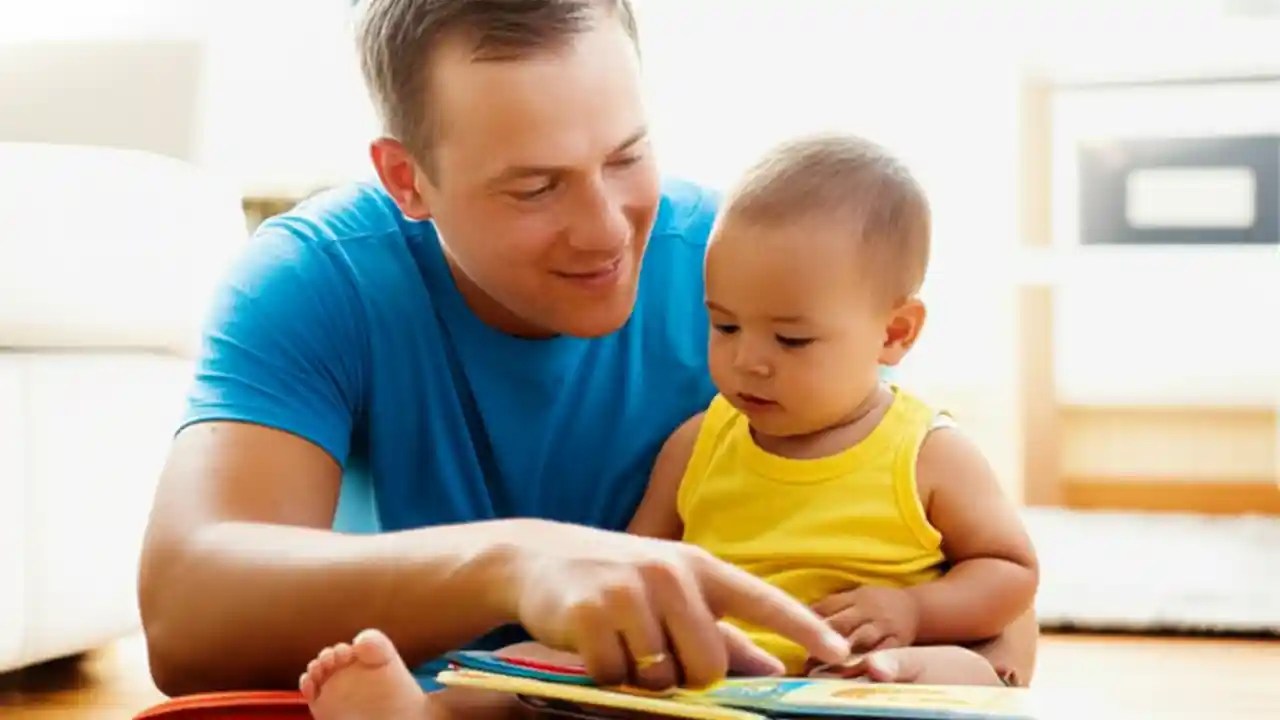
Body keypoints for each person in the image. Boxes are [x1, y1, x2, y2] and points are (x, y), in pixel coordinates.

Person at [136, 0, 1038, 712]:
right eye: (534, 187)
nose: (608, 232)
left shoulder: (751, 281)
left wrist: (943, 660)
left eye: (627, 156)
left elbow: (956, 569)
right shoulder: (317, 280)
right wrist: (518, 563)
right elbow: (183, 620)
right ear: (407, 178)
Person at [294, 133, 1038, 720]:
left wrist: (914, 610)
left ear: (895, 333)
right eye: (724, 325)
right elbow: (634, 563)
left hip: (853, 674)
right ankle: (427, 714)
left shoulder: (928, 451)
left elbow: (1010, 572)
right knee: (528, 660)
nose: (749, 362)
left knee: (963, 671)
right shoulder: (698, 442)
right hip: (709, 678)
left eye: (791, 340)